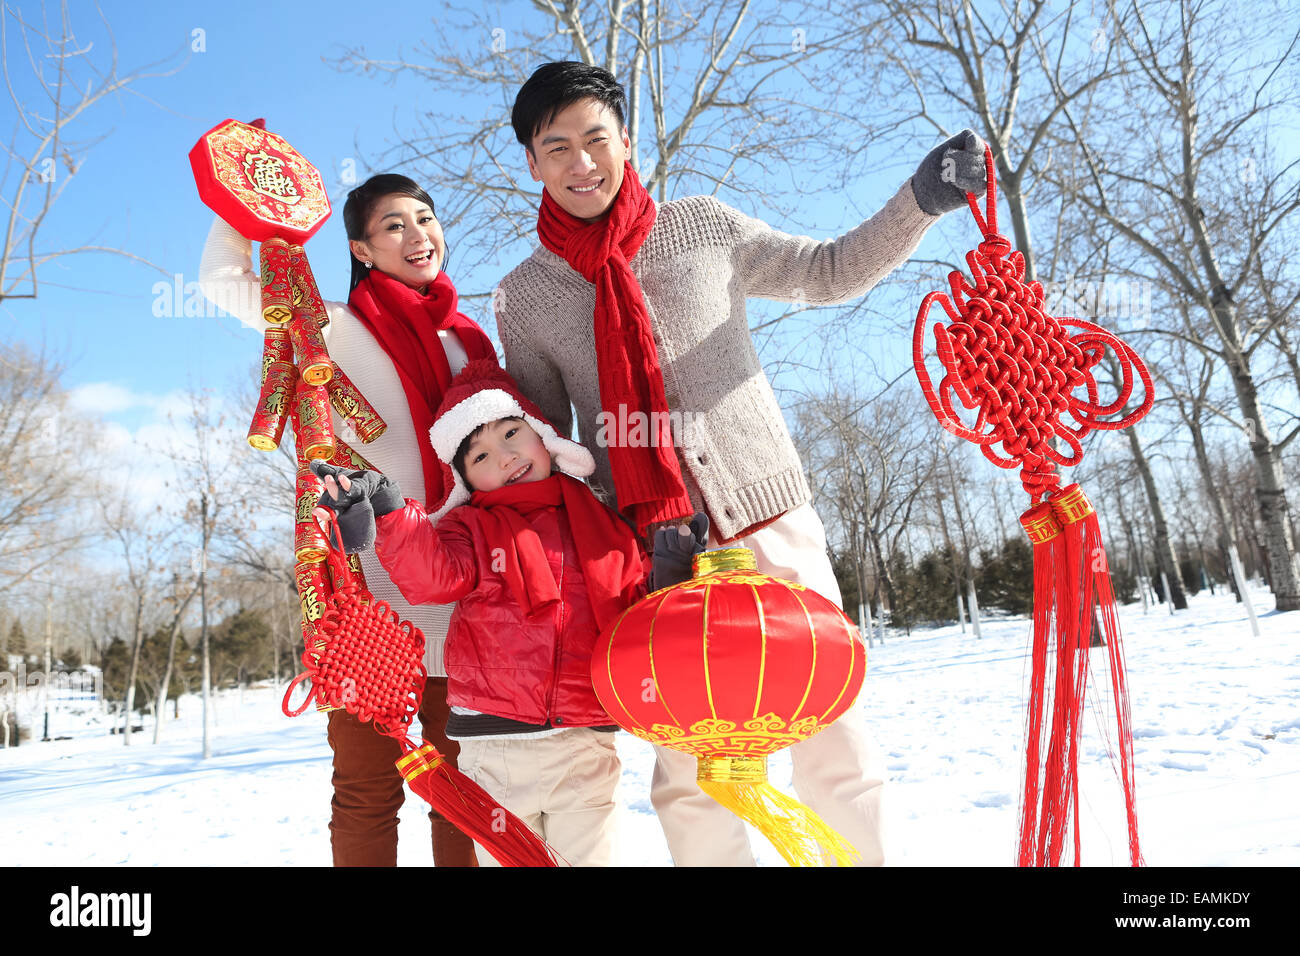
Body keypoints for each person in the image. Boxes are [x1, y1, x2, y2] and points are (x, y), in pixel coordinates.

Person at [494, 61, 989, 866]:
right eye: (557, 148)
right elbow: (547, 449)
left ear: (624, 140)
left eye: (594, 139)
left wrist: (918, 203)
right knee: (691, 772)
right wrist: (621, 528)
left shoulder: (701, 228)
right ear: (532, 163)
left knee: (832, 733)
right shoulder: (527, 295)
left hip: (770, 524)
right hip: (655, 554)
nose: (580, 163)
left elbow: (828, 272)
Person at [199, 172, 496, 866]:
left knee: (465, 790)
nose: (419, 235)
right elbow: (221, 279)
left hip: (463, 595)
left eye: (426, 217)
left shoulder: (471, 344)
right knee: (366, 791)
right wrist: (240, 189)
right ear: (361, 249)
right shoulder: (329, 323)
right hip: (364, 601)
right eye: (395, 224)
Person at [309, 360, 666, 866]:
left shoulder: (602, 523)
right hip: (495, 746)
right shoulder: (471, 530)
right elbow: (430, 574)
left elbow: (635, 599)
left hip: (584, 741)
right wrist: (390, 509)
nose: (504, 456)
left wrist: (669, 568)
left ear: (544, 435)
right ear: (466, 479)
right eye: (480, 455)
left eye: (512, 433)